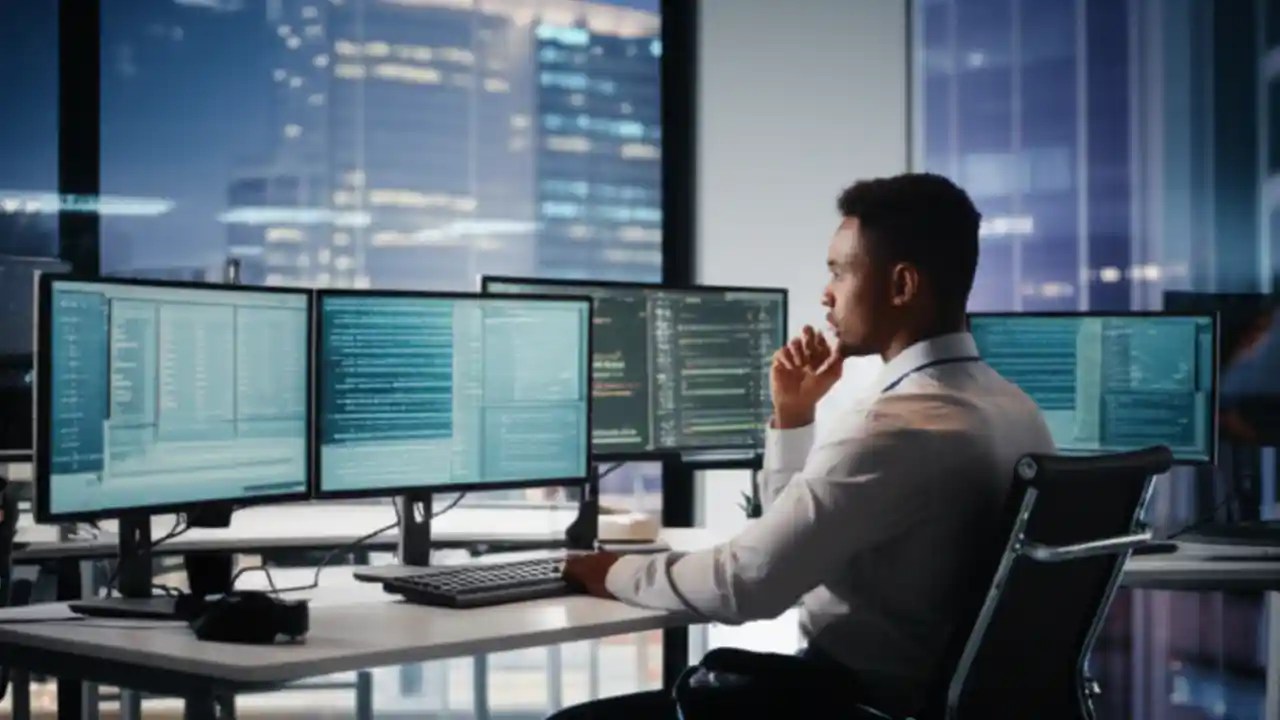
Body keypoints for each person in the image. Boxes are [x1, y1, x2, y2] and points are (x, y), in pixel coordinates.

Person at [553, 173, 1056, 719]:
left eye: (840, 271)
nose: (826, 293)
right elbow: (787, 550)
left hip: (853, 703)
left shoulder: (890, 429)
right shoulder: (1018, 410)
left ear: (902, 286)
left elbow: (747, 585)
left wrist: (613, 571)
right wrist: (795, 418)